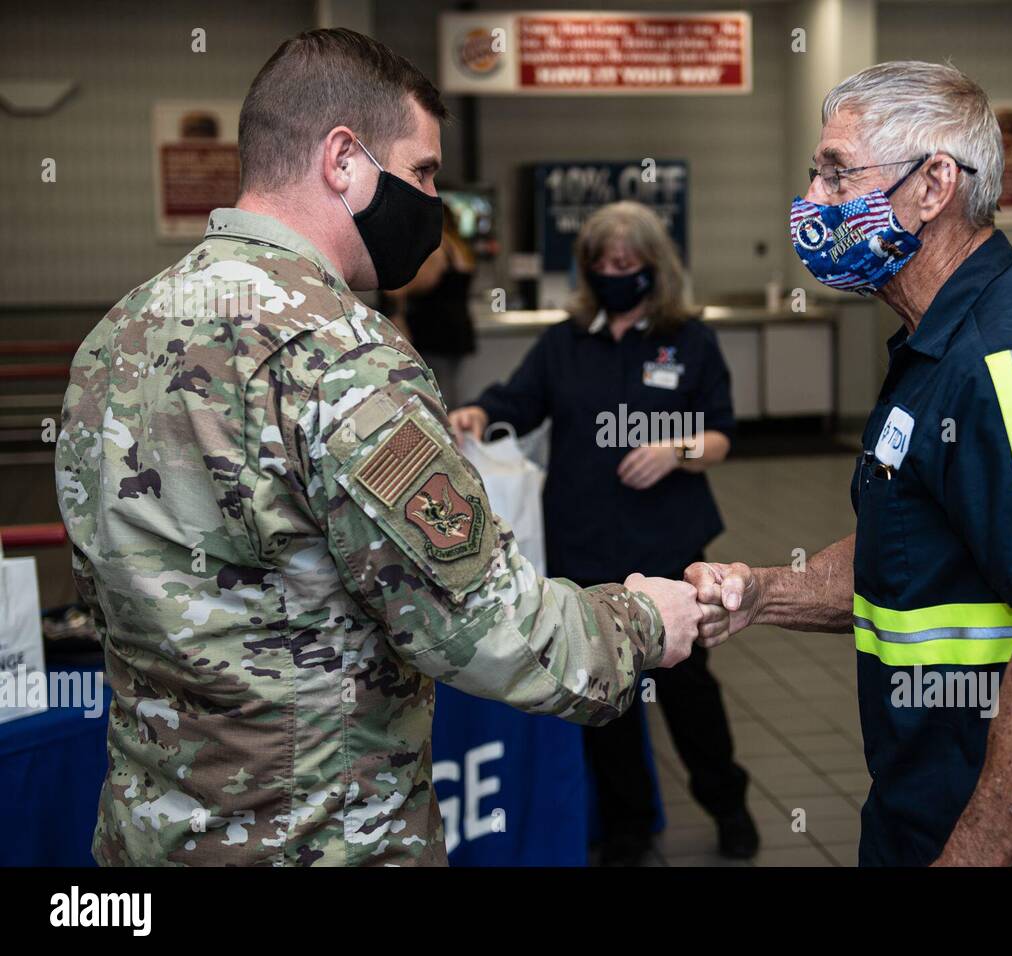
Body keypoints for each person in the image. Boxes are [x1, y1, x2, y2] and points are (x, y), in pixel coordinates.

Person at [53, 28, 708, 867]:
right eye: (425, 172)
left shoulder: (117, 336)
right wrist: (648, 621)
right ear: (344, 160)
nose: (433, 202)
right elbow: (486, 628)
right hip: (314, 842)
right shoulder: (338, 354)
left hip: (149, 843)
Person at [687, 60, 1012, 866]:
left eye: (836, 171)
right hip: (933, 803)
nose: (812, 200)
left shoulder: (1003, 360)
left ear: (933, 186)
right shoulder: (941, 341)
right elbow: (921, 555)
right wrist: (764, 593)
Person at [449, 201, 757, 866]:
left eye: (627, 263)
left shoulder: (687, 339)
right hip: (583, 540)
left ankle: (728, 803)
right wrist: (476, 411)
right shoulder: (568, 340)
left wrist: (677, 448)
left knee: (687, 688)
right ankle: (626, 825)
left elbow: (724, 436)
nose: (614, 273)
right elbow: (518, 400)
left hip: (666, 545)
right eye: (601, 264)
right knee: (606, 687)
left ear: (654, 266)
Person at [384, 213, 477, 408]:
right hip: (456, 329)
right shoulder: (459, 246)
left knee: (437, 394)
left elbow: (417, 284)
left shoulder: (439, 248)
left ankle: (447, 435)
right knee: (450, 388)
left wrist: (395, 286)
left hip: (436, 332)